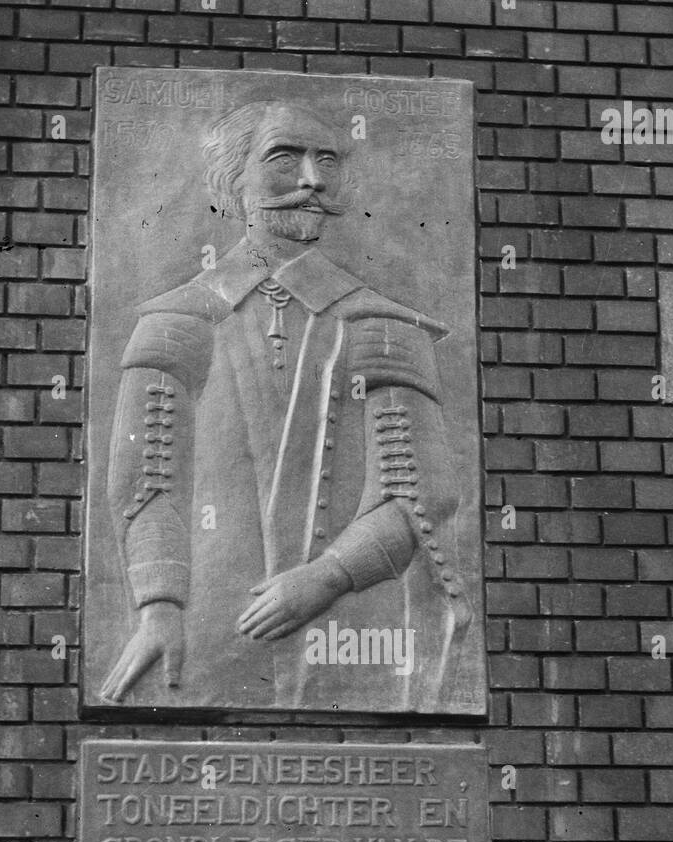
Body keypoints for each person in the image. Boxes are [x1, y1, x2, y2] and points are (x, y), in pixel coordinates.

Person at [99, 99, 472, 712]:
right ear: (232, 181)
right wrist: (159, 607)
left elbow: (419, 494)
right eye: (284, 158)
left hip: (356, 637)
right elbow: (146, 480)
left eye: (326, 159)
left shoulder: (380, 322)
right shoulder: (178, 318)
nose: (313, 179)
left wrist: (325, 579)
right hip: (207, 632)